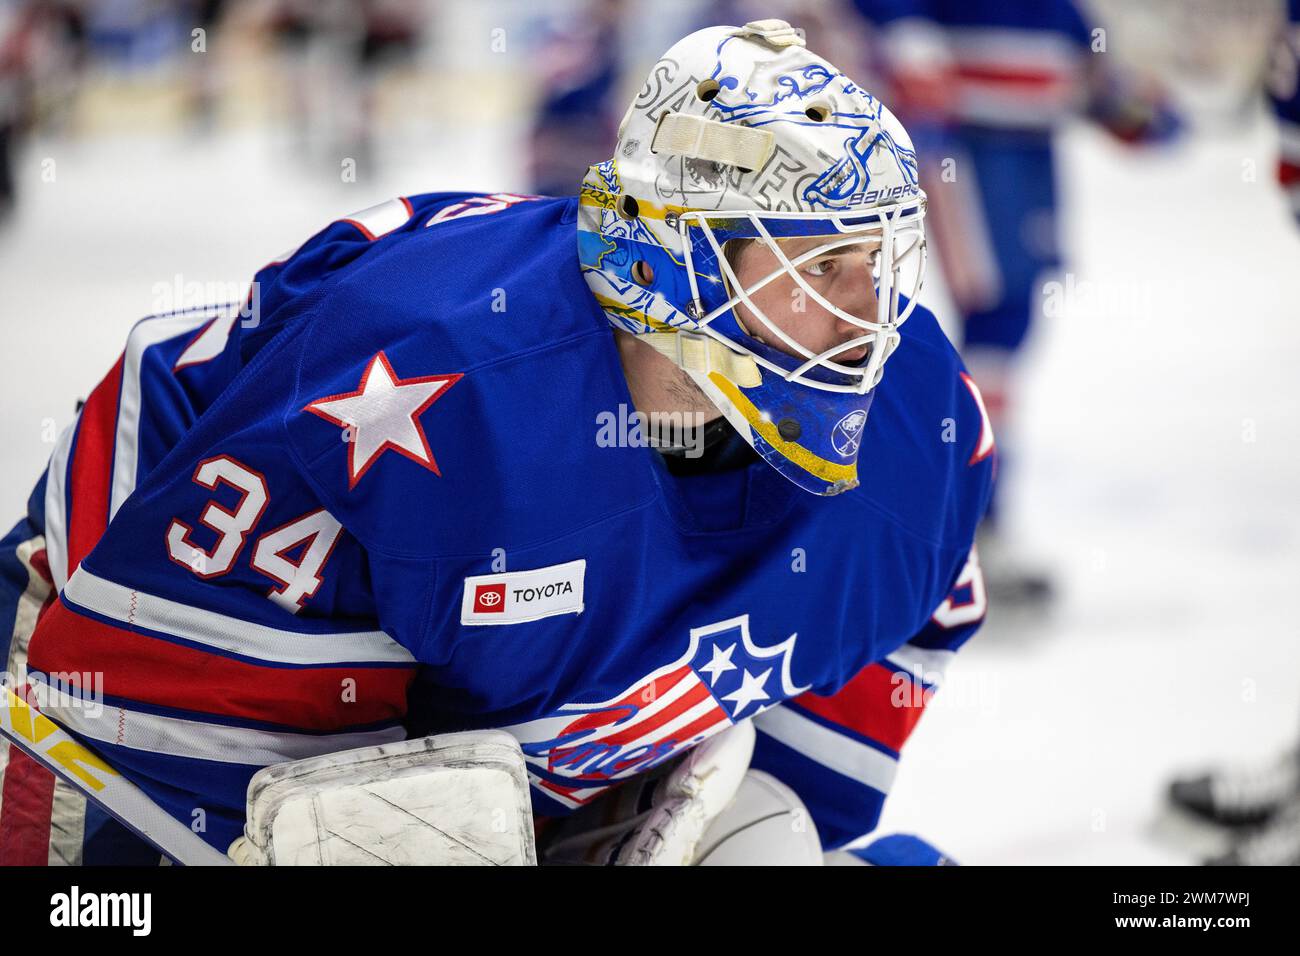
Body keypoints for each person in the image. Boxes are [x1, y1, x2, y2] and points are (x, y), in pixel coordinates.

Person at [0, 19, 994, 865]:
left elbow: (902, 622)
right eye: (819, 264)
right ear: (680, 260)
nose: (870, 315)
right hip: (122, 643)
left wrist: (744, 820)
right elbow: (174, 759)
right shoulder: (437, 397)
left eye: (876, 259)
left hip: (516, 744)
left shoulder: (920, 426)